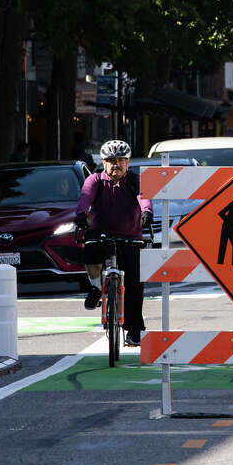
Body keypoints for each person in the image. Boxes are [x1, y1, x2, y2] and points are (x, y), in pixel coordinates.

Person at [74, 139, 152, 347]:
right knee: (90, 251)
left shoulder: (136, 180)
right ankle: (95, 288)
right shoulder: (95, 180)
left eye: (120, 160)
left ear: (128, 162)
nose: (115, 165)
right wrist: (81, 214)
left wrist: (146, 212)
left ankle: (134, 330)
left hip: (131, 238)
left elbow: (144, 198)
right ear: (104, 162)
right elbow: (85, 198)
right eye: (110, 160)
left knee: (135, 284)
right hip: (101, 235)